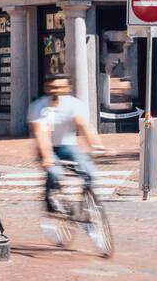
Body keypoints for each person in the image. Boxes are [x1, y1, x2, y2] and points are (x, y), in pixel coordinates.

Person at [27, 74, 104, 208]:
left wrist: (96, 145)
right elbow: (41, 133)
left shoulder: (75, 104)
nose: (55, 91)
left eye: (59, 87)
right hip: (46, 147)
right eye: (52, 87)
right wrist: (46, 157)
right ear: (46, 88)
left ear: (68, 88)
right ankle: (51, 198)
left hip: (68, 146)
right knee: (55, 173)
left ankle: (86, 205)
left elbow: (83, 125)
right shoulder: (38, 107)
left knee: (89, 172)